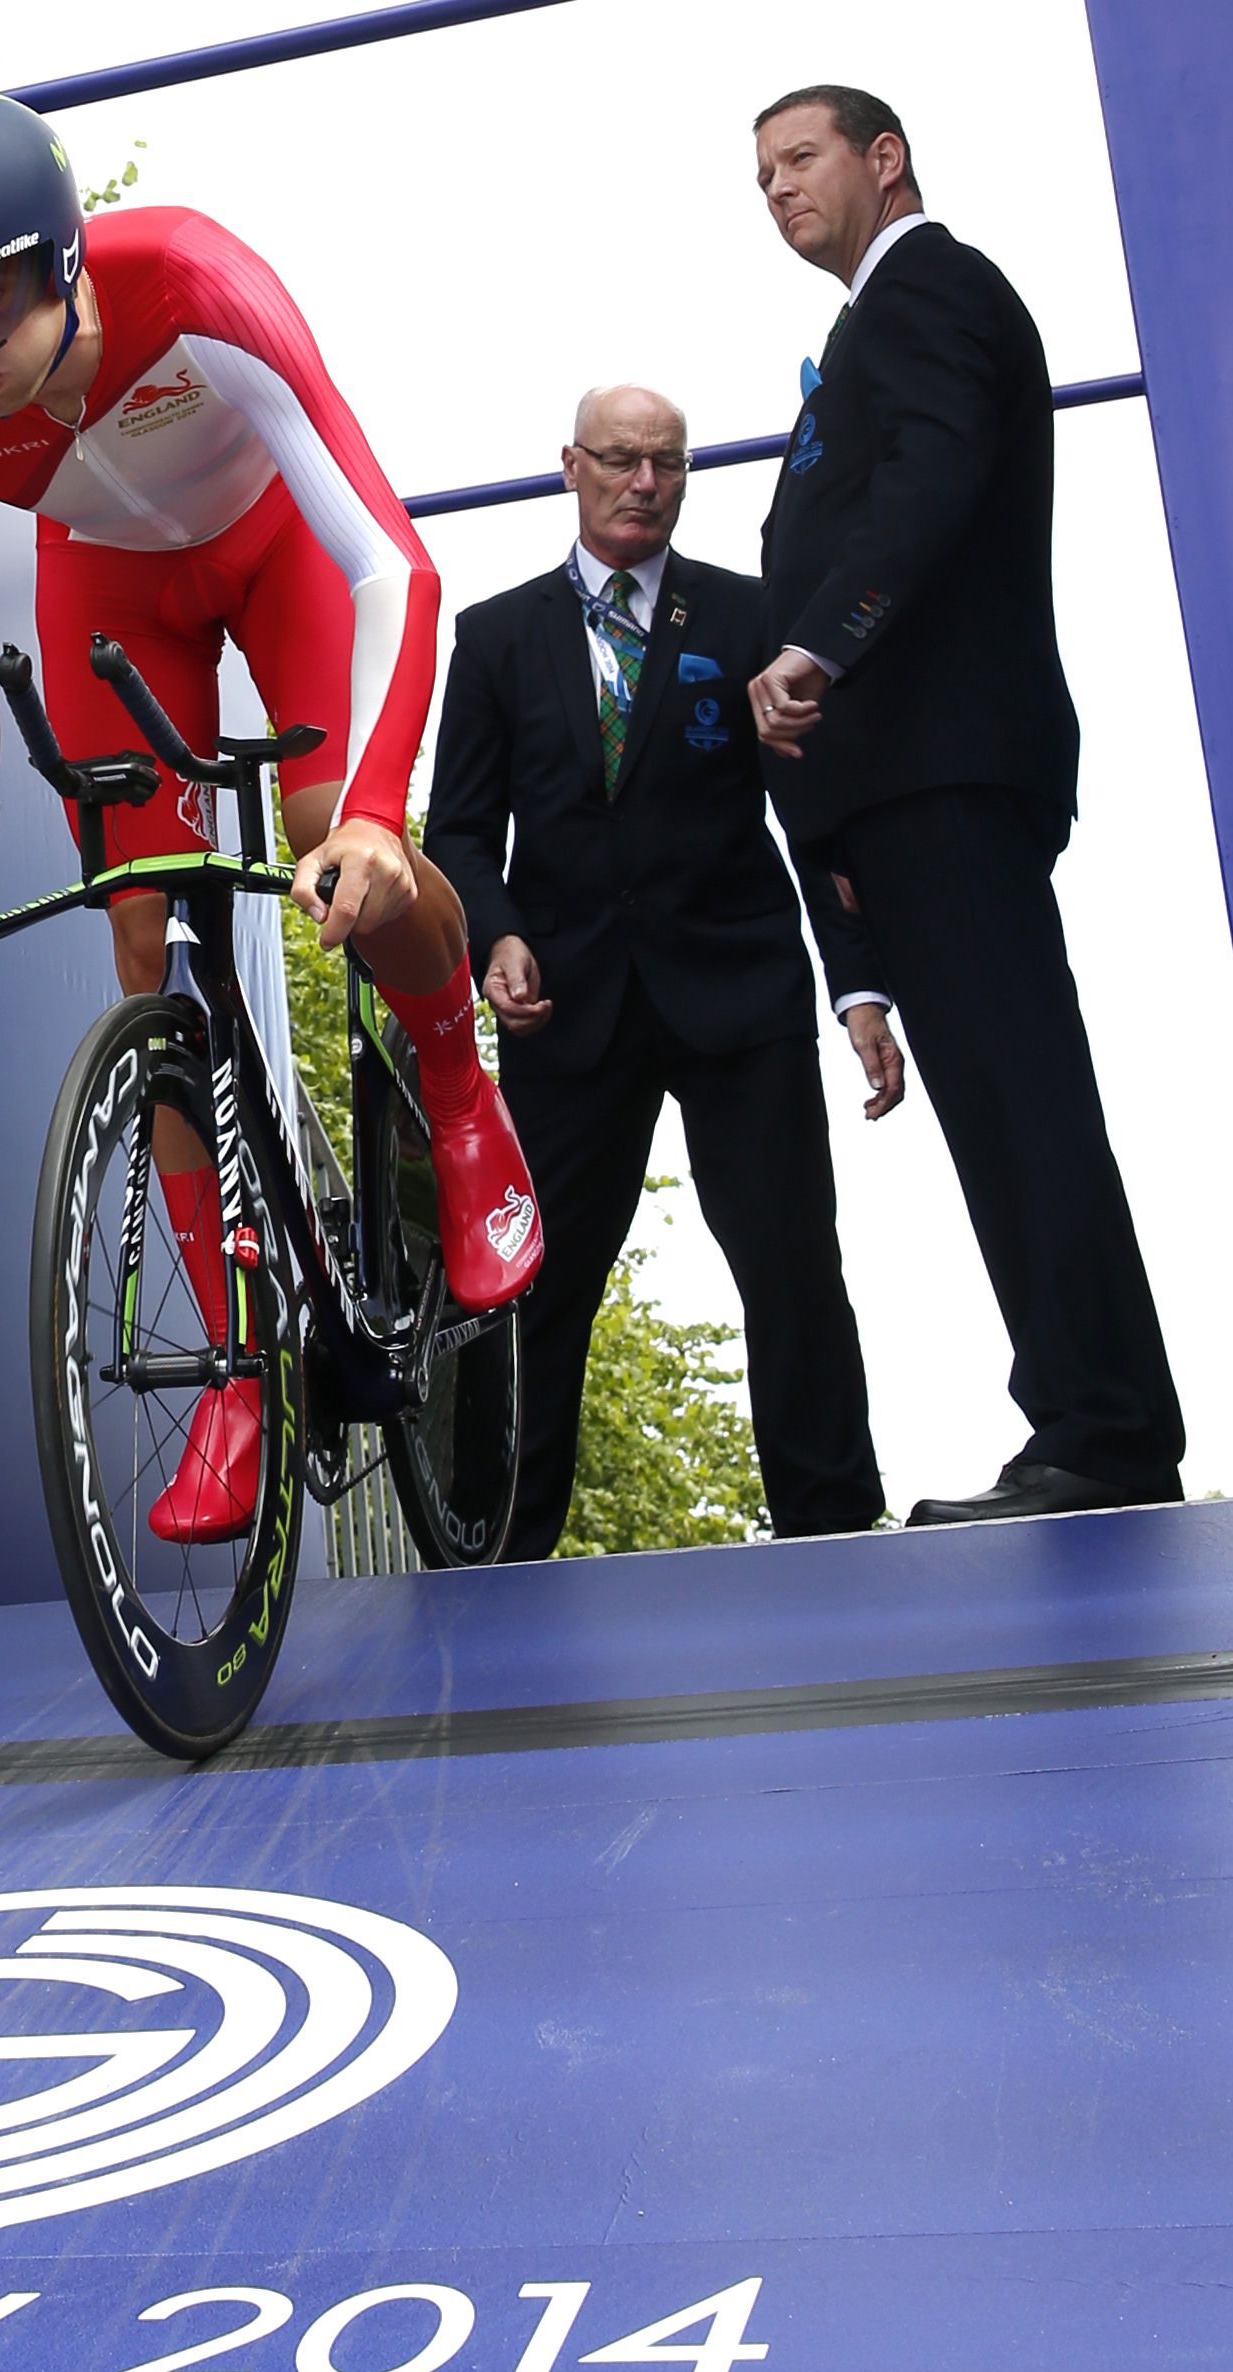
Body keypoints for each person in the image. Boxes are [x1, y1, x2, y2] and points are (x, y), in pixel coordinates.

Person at [0, 92, 542, 1545]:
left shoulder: (192, 282)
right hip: (112, 587)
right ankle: (236, 1365)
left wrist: (372, 812)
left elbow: (390, 565)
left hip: (281, 548)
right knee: (141, 940)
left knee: (330, 824)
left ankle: (458, 1094)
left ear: (65, 255)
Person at [747, 86, 1185, 1526]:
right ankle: (1086, 1418)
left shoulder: (933, 286)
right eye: (762, 175)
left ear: (886, 160)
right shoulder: (865, 329)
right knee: (997, 1108)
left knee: (1021, 1093)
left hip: (946, 765)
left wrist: (822, 645)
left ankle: (1107, 1431)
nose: (779, 188)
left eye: (801, 157)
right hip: (899, 788)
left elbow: (930, 479)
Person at [429, 385, 894, 1561]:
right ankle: (500, 1552)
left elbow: (811, 815)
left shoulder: (749, 616)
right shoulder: (495, 638)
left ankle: (836, 1534)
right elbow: (462, 834)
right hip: (565, 1008)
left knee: (794, 1265)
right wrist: (496, 937)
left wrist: (860, 989)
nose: (644, 483)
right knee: (535, 1288)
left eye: (668, 463)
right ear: (571, 466)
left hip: (741, 992)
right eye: (622, 459)